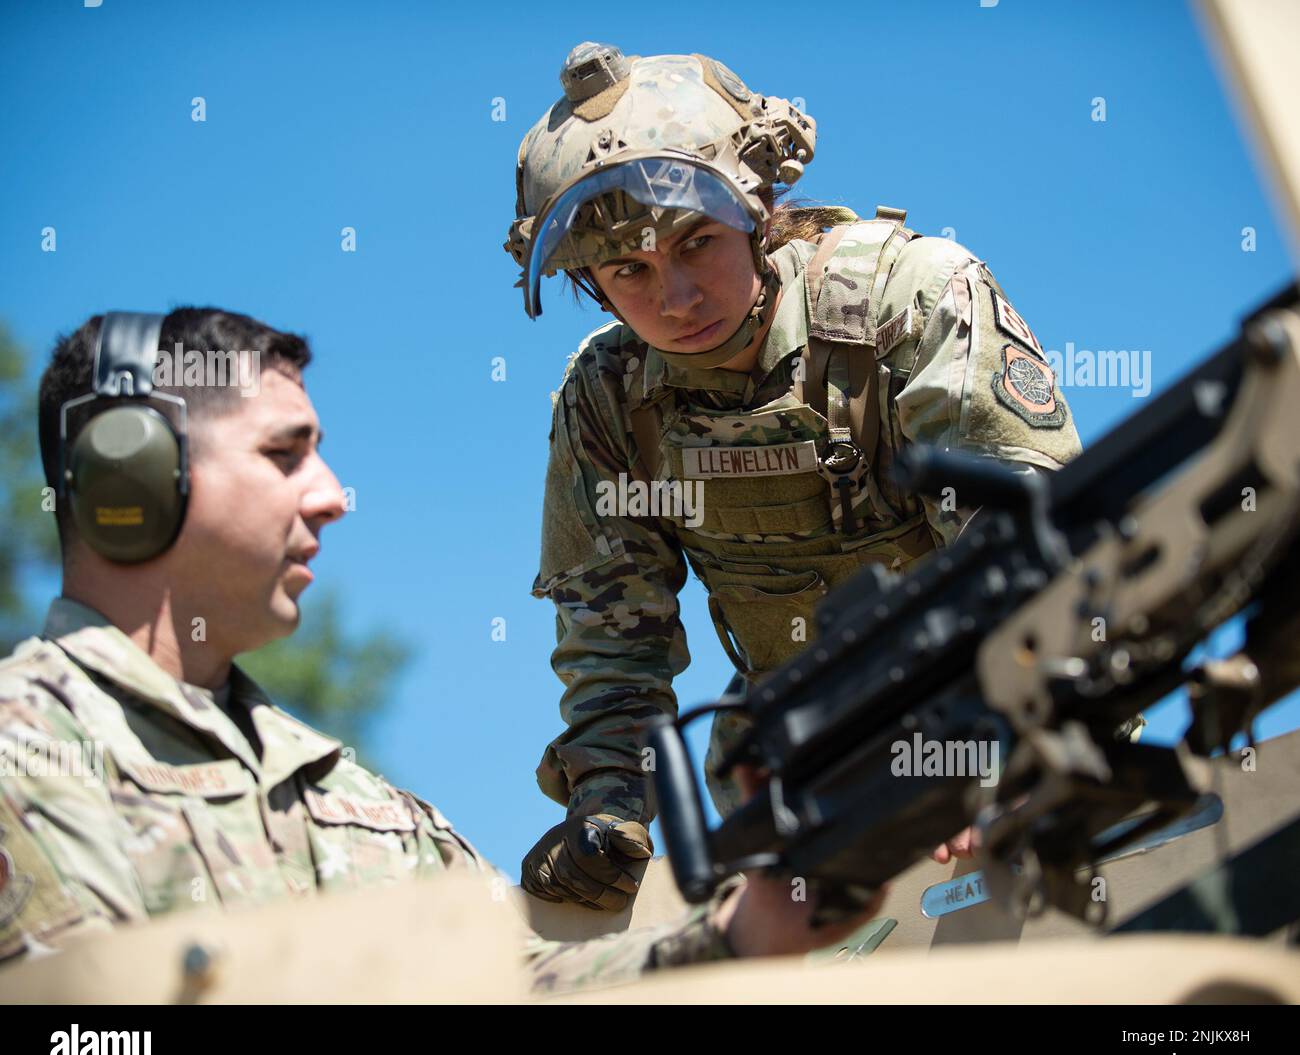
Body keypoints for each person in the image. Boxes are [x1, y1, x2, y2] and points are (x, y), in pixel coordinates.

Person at [0, 307, 884, 994]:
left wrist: (745, 934)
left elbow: (516, 988)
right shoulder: (25, 751)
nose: (331, 497)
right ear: (131, 479)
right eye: (284, 454)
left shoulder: (353, 806)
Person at [506, 44, 1084, 910]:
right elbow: (614, 640)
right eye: (628, 271)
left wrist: (975, 747)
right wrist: (607, 808)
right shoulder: (610, 399)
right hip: (802, 775)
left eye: (697, 243)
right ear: (589, 282)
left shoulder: (904, 299)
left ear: (758, 208)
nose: (675, 298)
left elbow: (1025, 551)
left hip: (1017, 724)